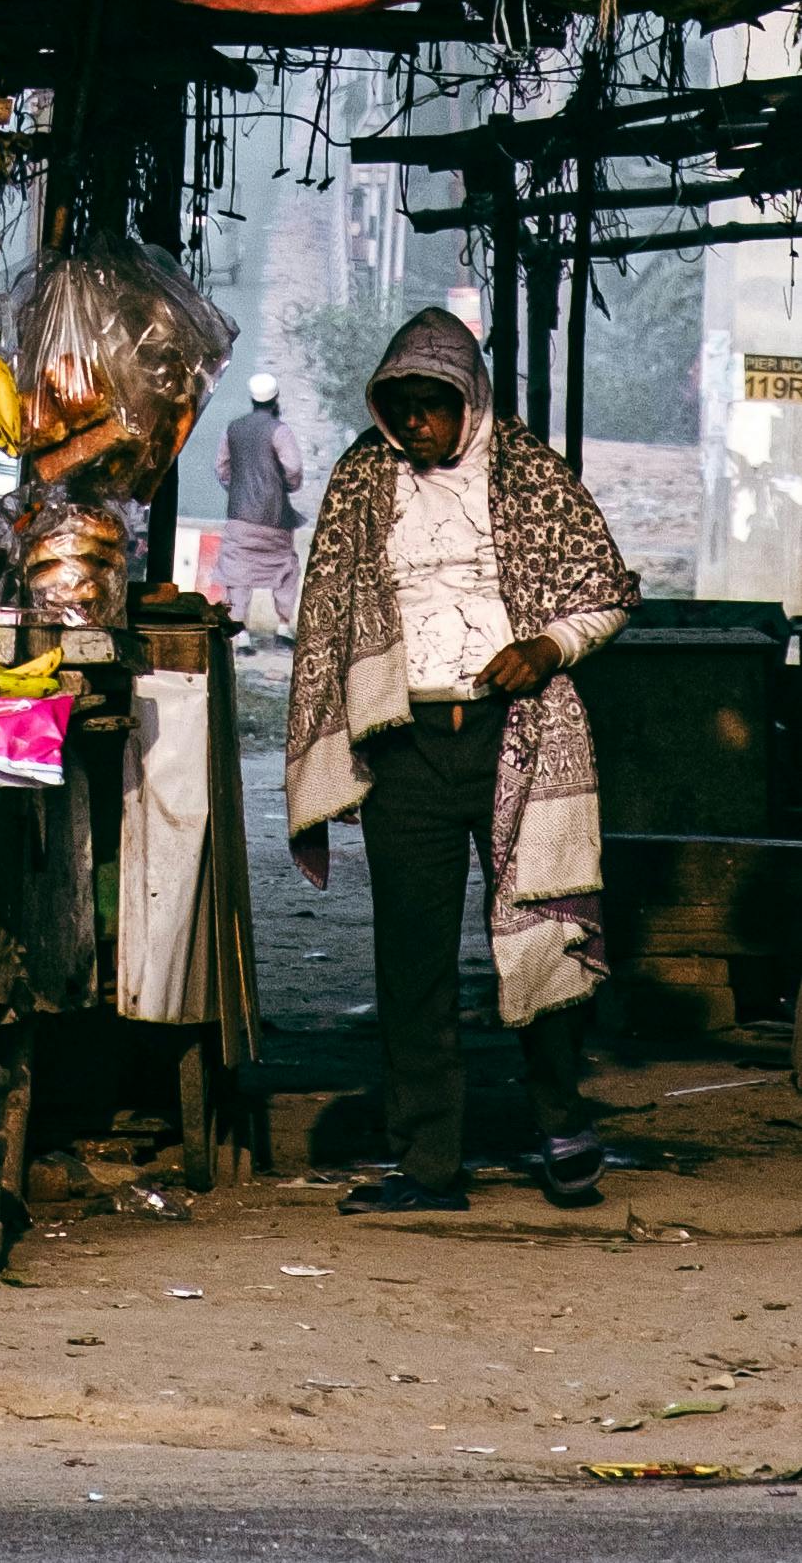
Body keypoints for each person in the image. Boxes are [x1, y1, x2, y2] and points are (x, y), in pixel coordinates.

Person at [285, 307, 637, 1215]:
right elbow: (326, 611)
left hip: (515, 732)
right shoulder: (363, 476)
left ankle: (561, 1125)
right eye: (399, 405)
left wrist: (548, 646)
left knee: (542, 927)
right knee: (412, 960)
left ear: (469, 399)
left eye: (431, 404)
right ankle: (427, 1163)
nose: (414, 423)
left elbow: (606, 592)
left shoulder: (529, 475)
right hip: (405, 748)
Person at [217, 371, 308, 639]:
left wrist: (237, 489)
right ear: (275, 399)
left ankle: (240, 632)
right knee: (285, 568)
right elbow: (293, 468)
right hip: (275, 519)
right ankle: (283, 626)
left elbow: (221, 468)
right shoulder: (280, 430)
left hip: (239, 517)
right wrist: (285, 487)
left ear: (252, 399)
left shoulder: (232, 428)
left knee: (237, 571)